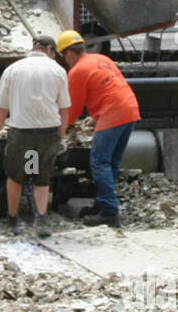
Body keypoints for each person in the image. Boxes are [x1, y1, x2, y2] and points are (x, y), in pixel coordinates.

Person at [56, 30, 141, 228]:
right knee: (111, 163)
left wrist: (61, 130)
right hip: (130, 109)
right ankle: (101, 204)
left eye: (63, 56)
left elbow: (73, 109)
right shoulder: (102, 58)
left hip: (113, 113)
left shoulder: (77, 71)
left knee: (99, 162)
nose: (64, 61)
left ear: (68, 53)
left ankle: (110, 212)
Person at [0, 35, 70, 238]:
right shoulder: (58, 71)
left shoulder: (13, 69)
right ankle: (41, 221)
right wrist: (62, 138)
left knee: (16, 177)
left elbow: (1, 110)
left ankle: (13, 220)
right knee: (41, 178)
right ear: (50, 49)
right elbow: (64, 111)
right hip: (48, 133)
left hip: (22, 133)